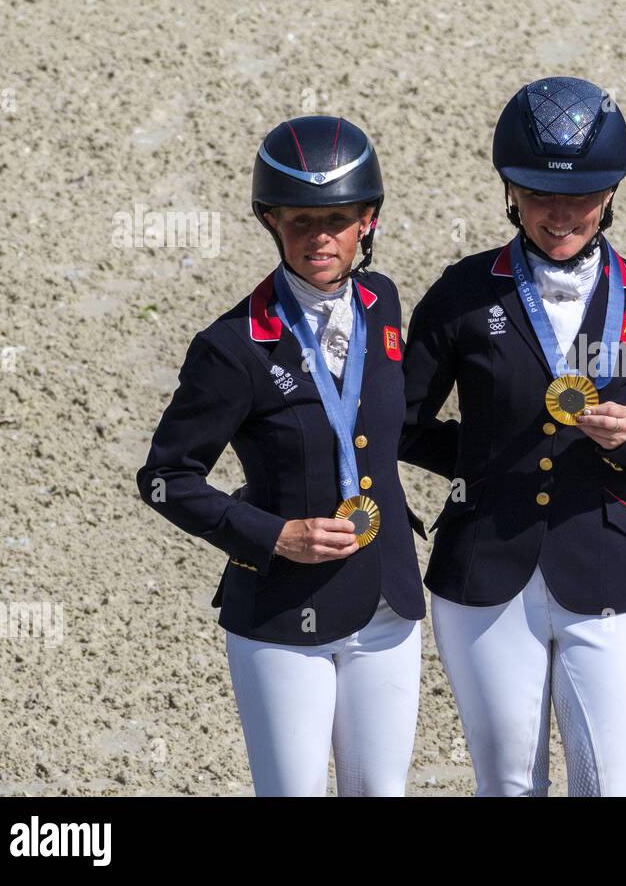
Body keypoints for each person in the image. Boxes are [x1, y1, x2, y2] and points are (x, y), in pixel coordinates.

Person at [399, 76, 626, 796]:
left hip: (606, 566)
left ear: (609, 195)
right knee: (509, 785)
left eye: (581, 196)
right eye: (540, 194)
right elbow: (404, 425)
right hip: (483, 573)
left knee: (610, 786)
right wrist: (481, 463)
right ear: (510, 191)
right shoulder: (463, 294)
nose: (561, 213)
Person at [136, 116, 425, 796]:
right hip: (281, 618)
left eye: (336, 220)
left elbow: (391, 428)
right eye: (299, 222)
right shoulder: (231, 346)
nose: (319, 238)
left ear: (367, 220)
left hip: (387, 605)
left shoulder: (383, 304)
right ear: (271, 222)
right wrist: (275, 535)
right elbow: (163, 480)